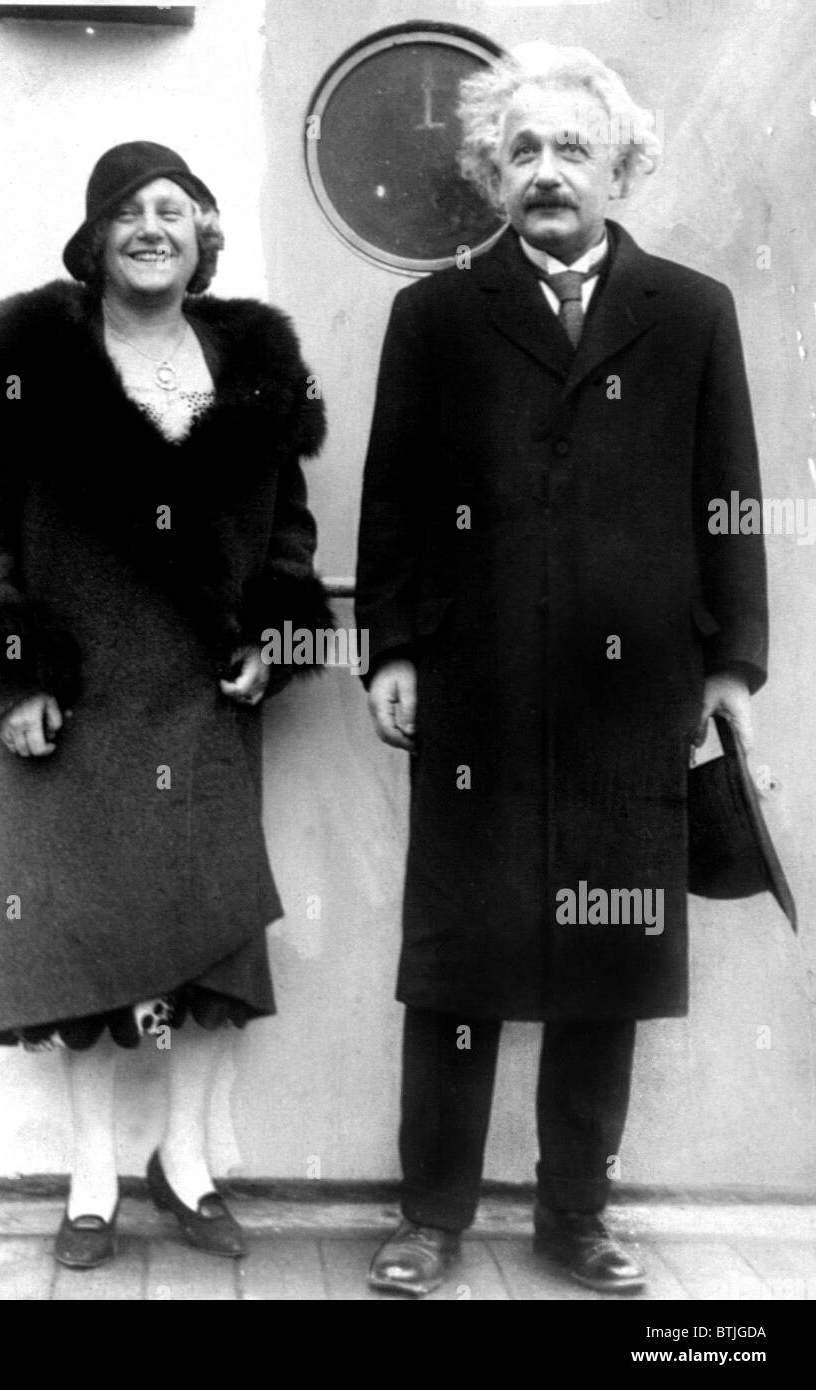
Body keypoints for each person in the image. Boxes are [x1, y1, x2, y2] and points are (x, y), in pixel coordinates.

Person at [355, 42, 767, 1296]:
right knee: (464, 957)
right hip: (478, 687)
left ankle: (576, 1215)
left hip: (631, 696)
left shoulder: (691, 312)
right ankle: (432, 1216)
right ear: (491, 172)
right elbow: (398, 500)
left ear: (618, 167)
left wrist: (731, 670)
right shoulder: (435, 313)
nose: (546, 173)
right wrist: (397, 648)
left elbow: (730, 497)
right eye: (521, 151)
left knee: (607, 952)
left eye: (570, 149)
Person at [0, 141, 332, 1270]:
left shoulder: (255, 361)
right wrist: (12, 674)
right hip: (74, 699)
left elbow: (288, 532)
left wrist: (274, 633)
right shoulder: (27, 357)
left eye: (176, 209)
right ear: (95, 238)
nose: (153, 226)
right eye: (127, 211)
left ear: (206, 237)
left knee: (209, 943)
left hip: (201, 698)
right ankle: (94, 1177)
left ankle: (188, 1164)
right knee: (79, 943)